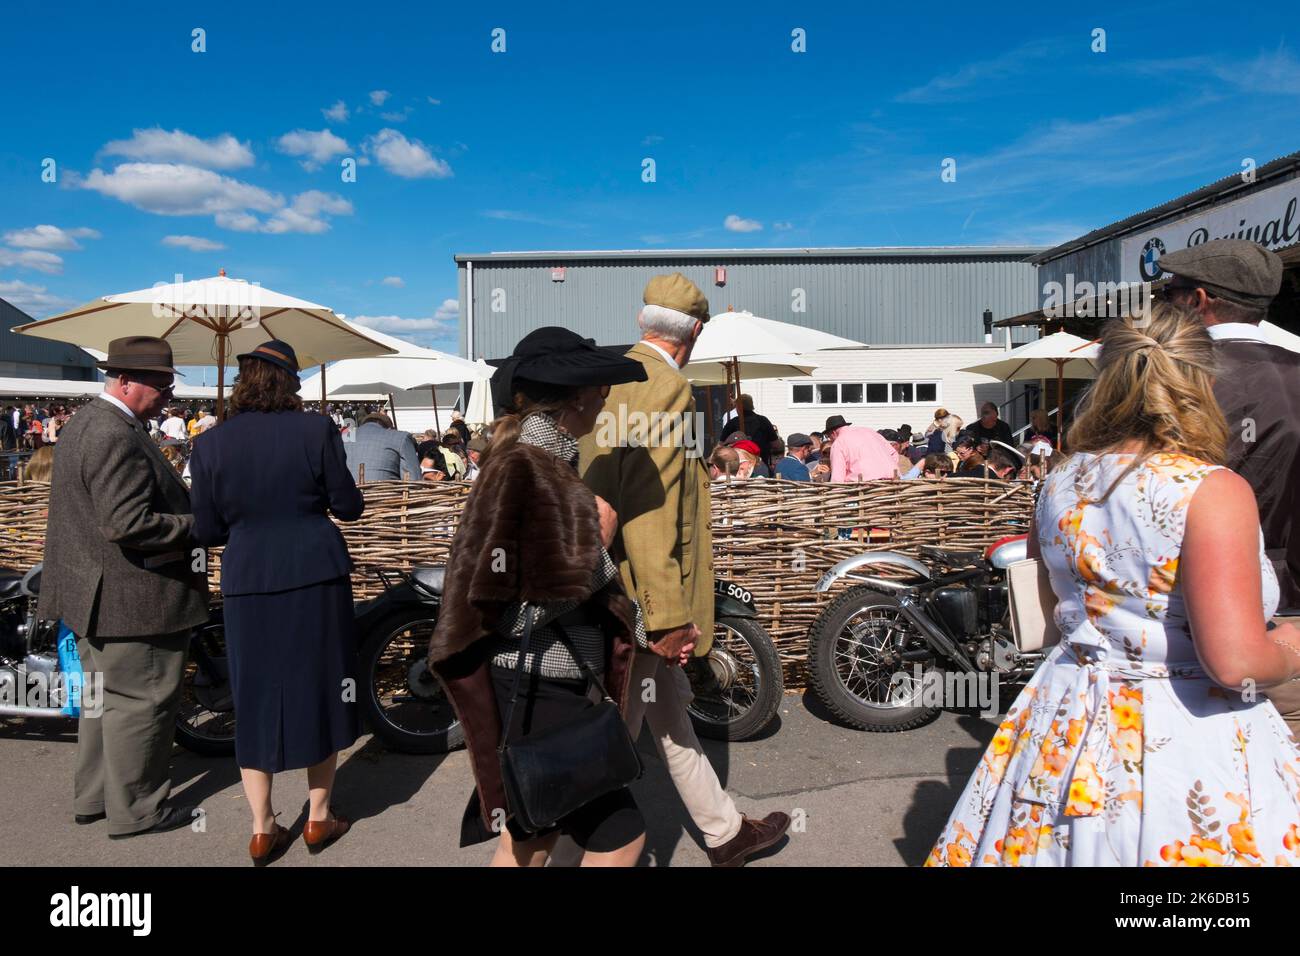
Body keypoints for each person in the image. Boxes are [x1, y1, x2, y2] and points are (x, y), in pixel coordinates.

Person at [927, 303, 1300, 867]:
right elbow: (1235, 664)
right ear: (1200, 382)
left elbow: (1053, 616)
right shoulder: (1211, 489)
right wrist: (1290, 645)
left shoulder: (1060, 482)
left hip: (1063, 718)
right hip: (1183, 739)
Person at [581, 273, 791, 867]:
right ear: (693, 333)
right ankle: (569, 839)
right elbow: (650, 512)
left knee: (664, 710)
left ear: (643, 322)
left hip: (607, 580)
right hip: (643, 592)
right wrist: (667, 616)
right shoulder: (667, 389)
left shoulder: (608, 381)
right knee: (610, 734)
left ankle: (724, 832)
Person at [427, 327, 650, 866]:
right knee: (620, 835)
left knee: (531, 834)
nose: (605, 397)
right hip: (541, 682)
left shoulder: (541, 462)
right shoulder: (528, 466)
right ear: (576, 395)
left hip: (543, 681)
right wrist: (596, 548)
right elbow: (501, 598)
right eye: (599, 388)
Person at [188, 339, 365, 865]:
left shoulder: (209, 444)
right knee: (322, 687)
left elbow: (207, 529)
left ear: (243, 381)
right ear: (290, 383)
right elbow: (349, 507)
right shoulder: (316, 430)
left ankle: (262, 827)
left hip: (249, 578)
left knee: (255, 693)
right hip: (316, 574)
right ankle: (318, 817)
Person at [40, 337, 208, 839]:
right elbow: (127, 523)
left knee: (101, 703)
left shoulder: (86, 423)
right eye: (162, 385)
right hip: (133, 599)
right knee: (143, 702)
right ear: (126, 380)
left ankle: (95, 799)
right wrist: (196, 524)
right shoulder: (115, 433)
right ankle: (139, 810)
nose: (168, 395)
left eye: (170, 385)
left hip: (91, 595)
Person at [1161, 238, 1300, 738]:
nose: (1162, 304)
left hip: (1219, 622)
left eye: (1167, 293)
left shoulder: (1178, 382)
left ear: (1197, 301)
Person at [344, 411, 422, 482]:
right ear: (389, 428)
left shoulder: (345, 437)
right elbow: (414, 478)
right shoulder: (400, 437)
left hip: (345, 494)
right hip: (386, 494)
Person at [825, 414, 898, 482]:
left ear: (833, 433)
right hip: (892, 481)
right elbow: (894, 454)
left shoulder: (839, 442)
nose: (830, 440)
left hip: (863, 485)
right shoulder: (870, 431)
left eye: (828, 436)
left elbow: (837, 477)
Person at [720, 394, 777, 469]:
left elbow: (721, 445)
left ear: (738, 407)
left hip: (739, 466)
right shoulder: (763, 421)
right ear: (751, 406)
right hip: (761, 463)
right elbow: (775, 444)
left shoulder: (732, 423)